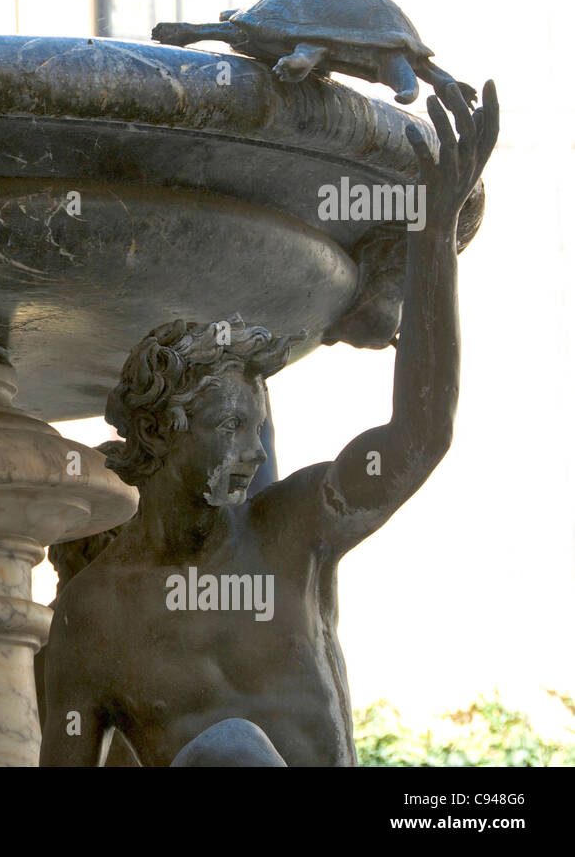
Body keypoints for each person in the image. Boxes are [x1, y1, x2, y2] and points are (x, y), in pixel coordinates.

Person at [39, 82, 498, 766]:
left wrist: (431, 236)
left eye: (257, 425)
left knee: (234, 748)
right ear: (161, 431)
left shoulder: (298, 529)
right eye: (229, 424)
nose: (254, 451)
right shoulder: (92, 617)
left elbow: (422, 431)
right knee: (227, 749)